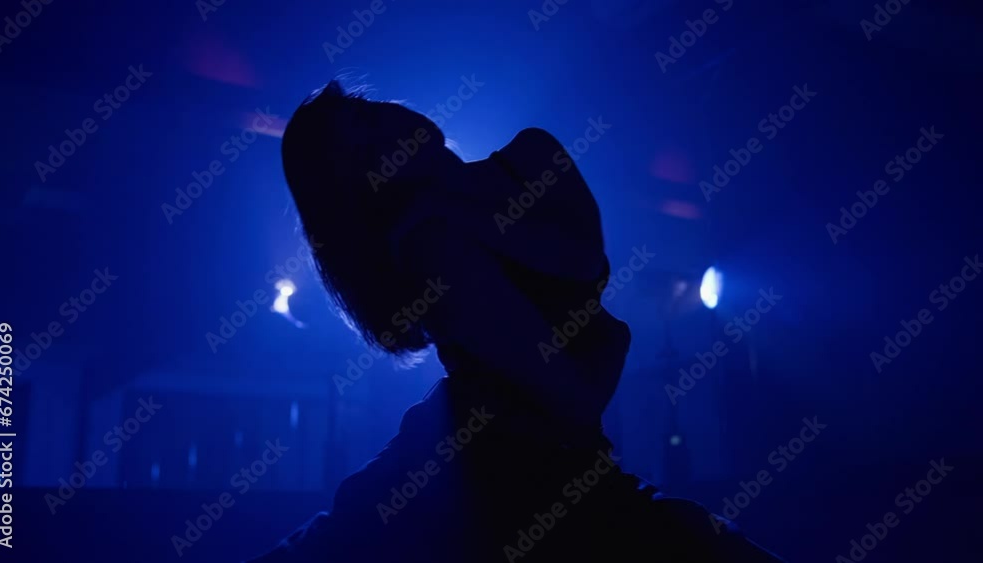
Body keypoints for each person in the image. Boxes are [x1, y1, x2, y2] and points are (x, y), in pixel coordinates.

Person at [248, 80, 784, 562]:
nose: (387, 123)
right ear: (369, 185)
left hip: (533, 468)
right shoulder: (430, 247)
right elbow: (574, 396)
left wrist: (451, 206)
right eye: (365, 147)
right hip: (501, 473)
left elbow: (578, 260)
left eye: (367, 110)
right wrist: (608, 341)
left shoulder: (529, 156)